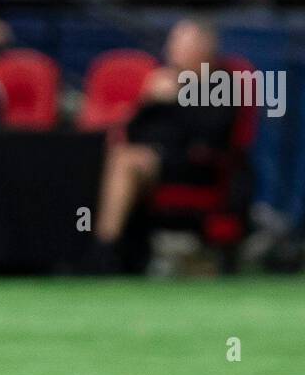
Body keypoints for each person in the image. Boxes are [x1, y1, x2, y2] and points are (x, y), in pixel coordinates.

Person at [90, 19, 238, 271]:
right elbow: (134, 130)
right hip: (151, 160)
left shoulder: (223, 82)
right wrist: (149, 100)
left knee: (126, 161)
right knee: (109, 156)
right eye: (173, 43)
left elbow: (213, 133)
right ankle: (103, 249)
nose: (172, 50)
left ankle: (103, 253)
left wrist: (180, 97)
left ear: (204, 47)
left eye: (180, 44)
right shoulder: (164, 79)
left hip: (194, 166)